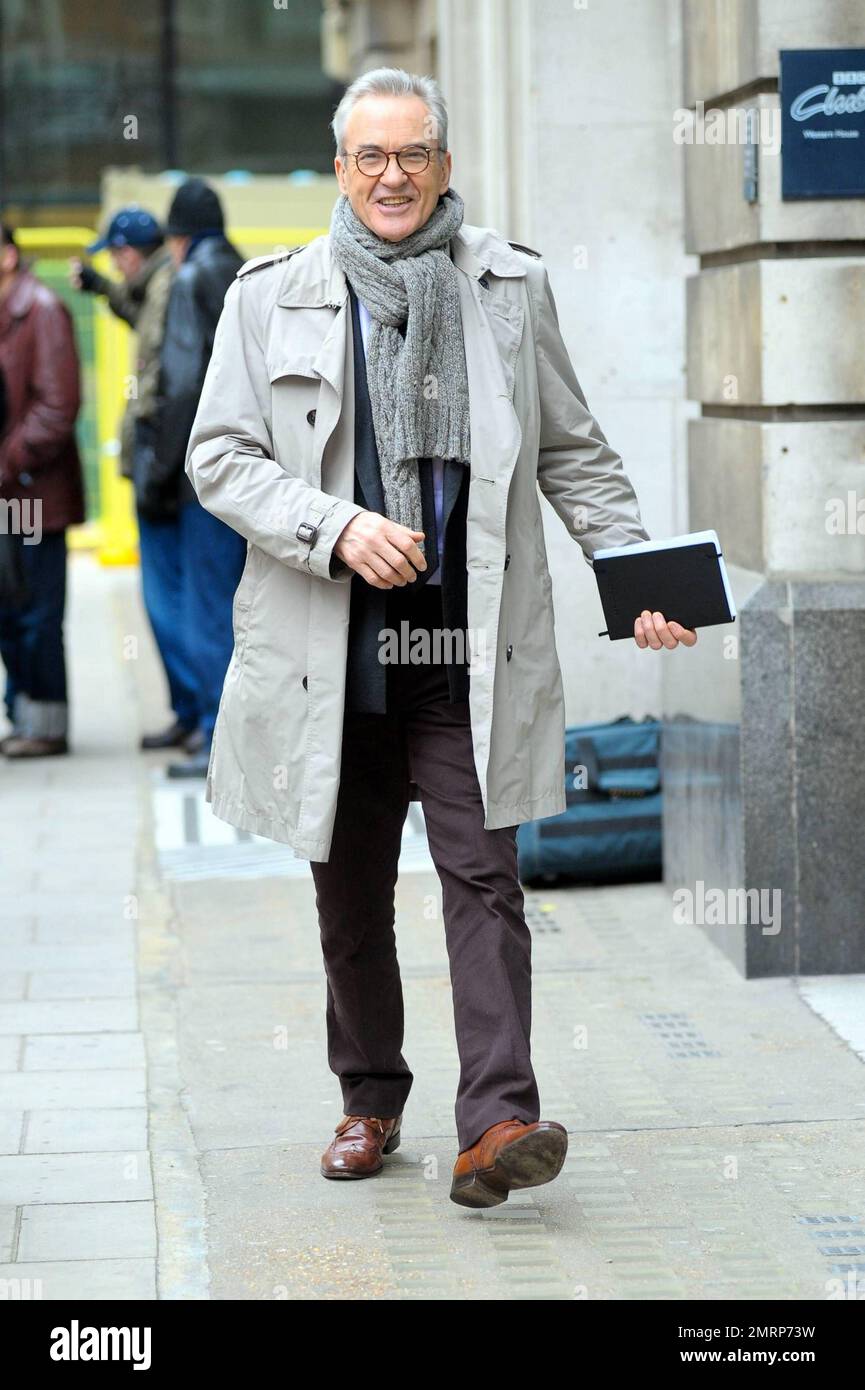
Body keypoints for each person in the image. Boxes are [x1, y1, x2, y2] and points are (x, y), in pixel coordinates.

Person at [185, 68, 697, 1208]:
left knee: (484, 878)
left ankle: (497, 1119)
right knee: (349, 891)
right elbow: (219, 459)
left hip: (463, 649)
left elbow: (572, 451)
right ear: (339, 171)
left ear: (444, 166)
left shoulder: (507, 289)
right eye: (369, 157)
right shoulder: (270, 296)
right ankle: (369, 1098)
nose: (391, 177)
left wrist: (635, 575)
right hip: (333, 643)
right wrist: (335, 525)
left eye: (412, 154)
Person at [70, 207, 197, 752]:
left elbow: (165, 380)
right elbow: (135, 313)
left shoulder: (168, 288)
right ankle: (189, 713)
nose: (116, 268)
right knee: (164, 598)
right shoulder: (156, 286)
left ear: (129, 253)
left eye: (115, 258)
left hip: (163, 466)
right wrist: (102, 290)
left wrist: (157, 467)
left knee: (169, 598)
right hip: (160, 464)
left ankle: (199, 715)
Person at [144, 179, 246, 777]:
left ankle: (216, 743)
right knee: (243, 610)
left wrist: (159, 471)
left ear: (179, 239)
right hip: (251, 473)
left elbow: (181, 386)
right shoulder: (244, 271)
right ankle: (247, 742)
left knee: (204, 611)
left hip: (200, 478)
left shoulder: (187, 280)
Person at [0, 223, 85, 759]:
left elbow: (57, 409)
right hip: (11, 491)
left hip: (33, 493)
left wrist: (7, 462)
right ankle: (26, 713)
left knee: (35, 611)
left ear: (8, 256)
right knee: (10, 608)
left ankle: (48, 724)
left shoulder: (41, 309)